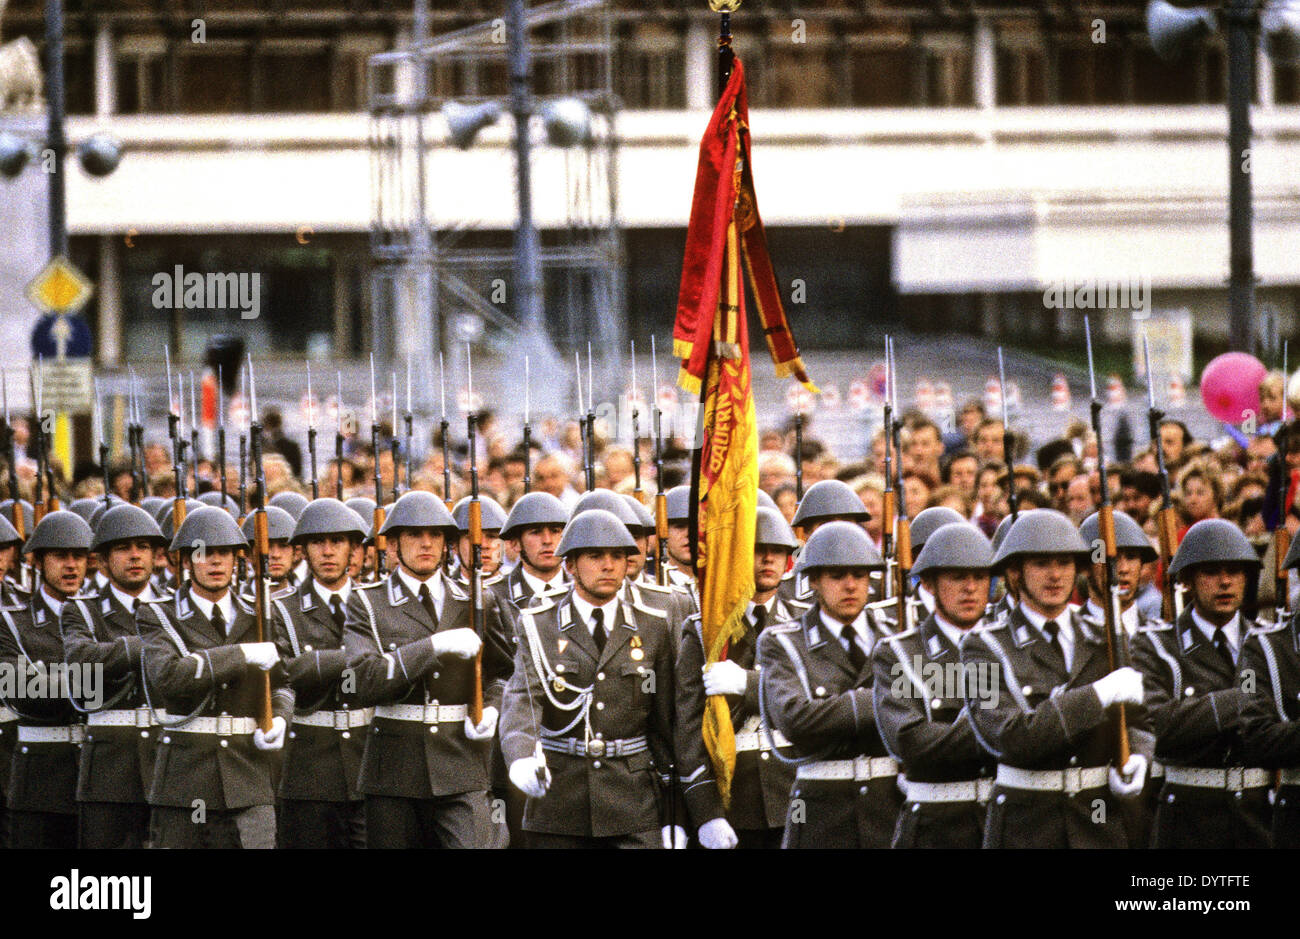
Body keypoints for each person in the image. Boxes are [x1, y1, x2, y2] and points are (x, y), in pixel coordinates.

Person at [961, 509, 1150, 848]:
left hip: (1097, 817)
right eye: (1042, 564)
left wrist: (1139, 755)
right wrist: (1095, 696)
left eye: (1064, 563)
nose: (1055, 576)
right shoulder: (982, 646)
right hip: (1026, 823)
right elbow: (1005, 735)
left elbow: (1139, 719)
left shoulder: (1106, 636)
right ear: (1016, 572)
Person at [499, 509, 685, 848]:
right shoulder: (539, 624)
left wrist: (677, 813)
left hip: (633, 802)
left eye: (617, 556)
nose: (609, 565)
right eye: (595, 556)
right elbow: (523, 699)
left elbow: (666, 723)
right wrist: (522, 756)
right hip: (560, 802)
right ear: (570, 565)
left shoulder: (653, 625)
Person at [341, 490, 514, 849]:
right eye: (414, 535)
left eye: (436, 535)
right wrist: (432, 647)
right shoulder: (367, 602)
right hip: (393, 768)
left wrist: (493, 708)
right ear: (393, 546)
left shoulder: (476, 599)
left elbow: (502, 673)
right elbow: (362, 681)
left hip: (461, 760)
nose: (426, 544)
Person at [135, 506, 294, 848]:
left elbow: (282, 683)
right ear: (187, 561)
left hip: (248, 775)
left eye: (224, 552)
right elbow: (168, 676)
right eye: (204, 552)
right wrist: (240, 655)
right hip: (186, 778)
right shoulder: (159, 616)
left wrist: (281, 718)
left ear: (237, 559)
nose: (216, 561)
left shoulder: (260, 613)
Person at [757, 521, 900, 848]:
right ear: (814, 581)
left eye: (859, 575)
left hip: (888, 808)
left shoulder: (897, 637)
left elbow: (924, 711)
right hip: (820, 810)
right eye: (837, 576)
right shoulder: (784, 642)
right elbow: (796, 720)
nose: (850, 586)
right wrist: (883, 699)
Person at [1131, 518, 1270, 849]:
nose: (1224, 582)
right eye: (1211, 572)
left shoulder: (1268, 641)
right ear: (1188, 580)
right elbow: (1157, 725)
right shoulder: (1157, 645)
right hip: (1188, 818)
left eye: (1234, 571)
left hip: (1260, 815)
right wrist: (1247, 700)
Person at [676, 508, 807, 849]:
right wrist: (707, 812)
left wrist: (748, 685)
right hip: (734, 798)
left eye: (777, 551)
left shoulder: (805, 626)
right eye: (756, 549)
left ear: (789, 561)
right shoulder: (705, 630)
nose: (768, 559)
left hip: (796, 794)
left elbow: (813, 704)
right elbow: (689, 730)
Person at [873, 522, 997, 848]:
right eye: (957, 577)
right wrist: (1011, 728)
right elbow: (911, 741)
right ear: (928, 583)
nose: (970, 588)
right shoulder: (900, 653)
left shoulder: (1011, 645)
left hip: (1010, 822)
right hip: (936, 825)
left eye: (980, 577)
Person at [61, 505, 169, 848]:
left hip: (168, 755)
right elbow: (81, 659)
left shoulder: (174, 606)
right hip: (110, 763)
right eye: (123, 548)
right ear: (103, 562)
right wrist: (149, 645)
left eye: (143, 547)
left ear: (156, 556)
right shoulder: (82, 609)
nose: (135, 556)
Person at [270, 498, 370, 849]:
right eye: (317, 542)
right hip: (309, 771)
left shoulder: (375, 603)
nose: (327, 552)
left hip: (371, 764)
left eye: (337, 542)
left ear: (353, 549)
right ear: (303, 551)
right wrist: (359, 657)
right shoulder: (281, 609)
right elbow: (285, 673)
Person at [0, 511, 94, 848]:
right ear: (39, 562)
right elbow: (18, 686)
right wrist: (96, 677)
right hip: (39, 780)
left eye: (79, 556)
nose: (71, 566)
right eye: (59, 556)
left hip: (100, 775)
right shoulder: (13, 622)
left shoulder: (101, 618)